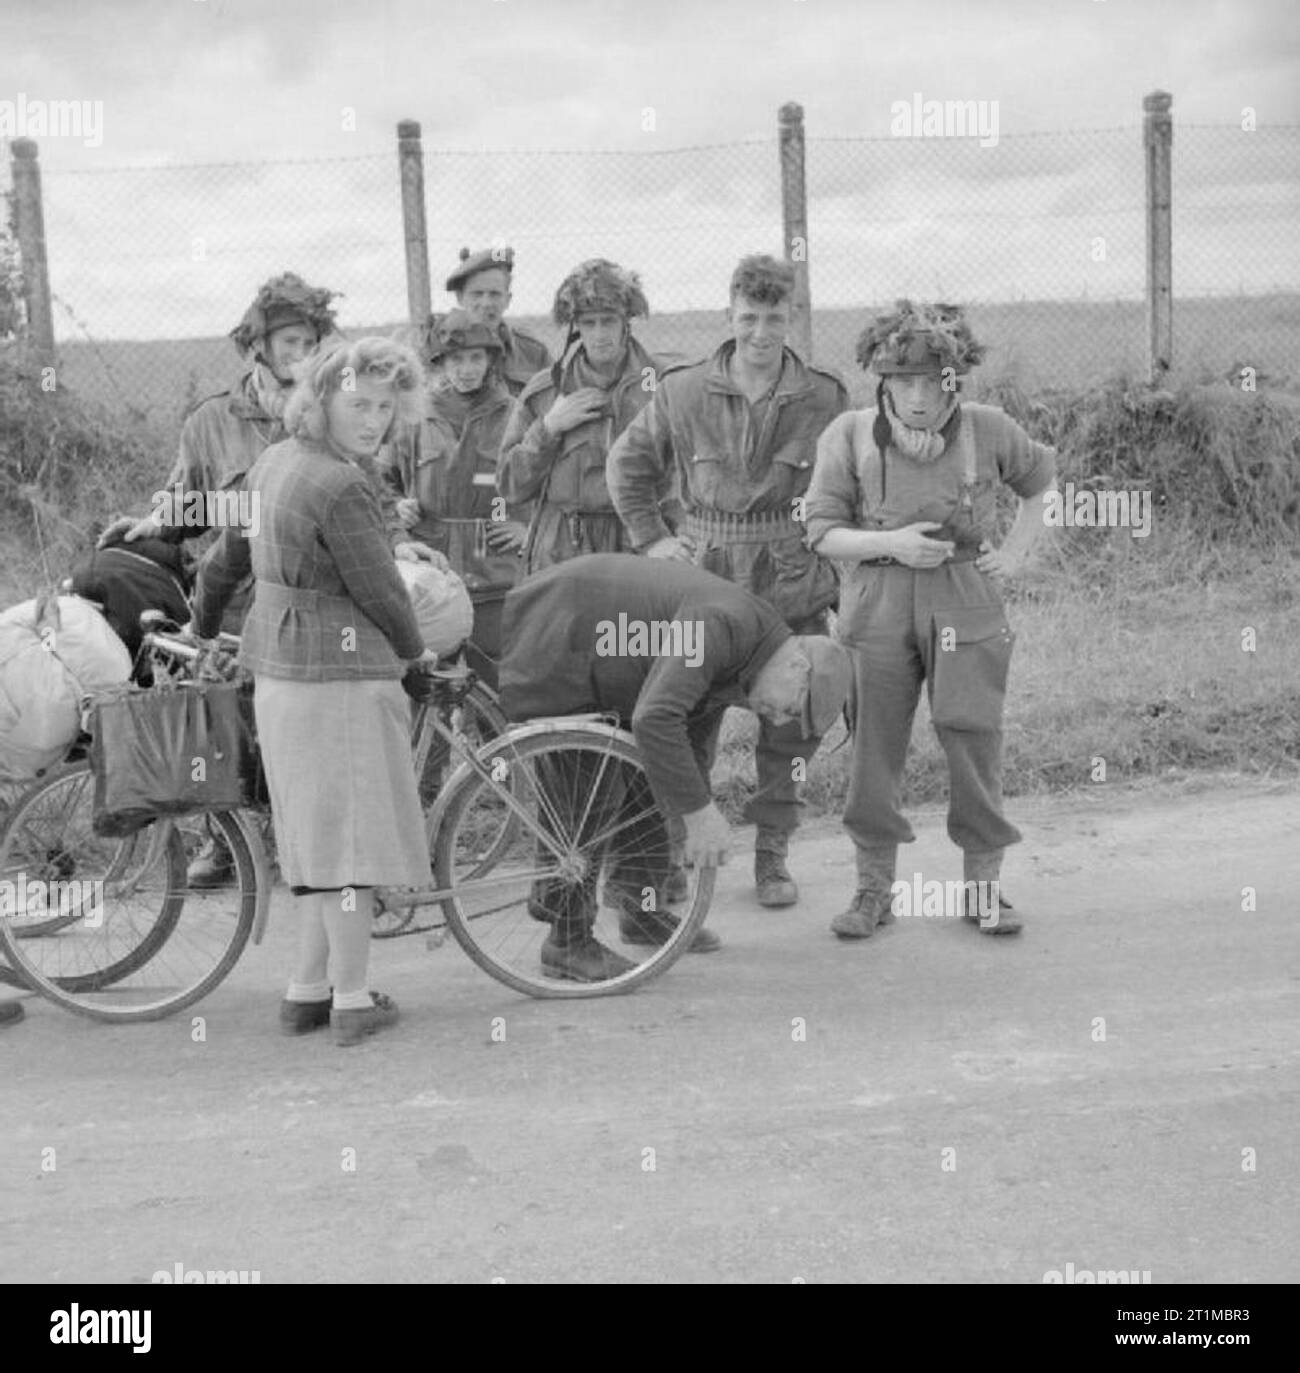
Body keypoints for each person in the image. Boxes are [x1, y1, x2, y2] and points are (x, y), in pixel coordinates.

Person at [101, 272, 439, 887]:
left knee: (295, 760)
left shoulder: (342, 409)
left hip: (307, 611)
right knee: (238, 736)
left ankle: (304, 866)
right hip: (256, 613)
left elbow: (370, 510)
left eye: (309, 337)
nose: (299, 349)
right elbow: (194, 505)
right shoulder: (215, 420)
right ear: (259, 344)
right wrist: (153, 526)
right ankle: (235, 846)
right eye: (287, 339)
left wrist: (396, 539)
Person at [191, 338, 438, 1045]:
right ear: (322, 399)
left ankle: (305, 991)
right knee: (350, 843)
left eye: (387, 408)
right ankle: (354, 999)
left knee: (311, 835)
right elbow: (382, 590)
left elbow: (223, 561)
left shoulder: (274, 462)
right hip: (342, 680)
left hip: (278, 676)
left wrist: (204, 625)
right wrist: (417, 655)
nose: (374, 421)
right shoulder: (343, 484)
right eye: (359, 404)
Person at [802, 300, 1057, 940]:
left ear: (955, 380)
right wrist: (889, 545)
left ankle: (984, 890)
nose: (917, 396)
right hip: (877, 600)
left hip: (964, 594)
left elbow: (1041, 484)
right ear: (882, 381)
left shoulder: (988, 428)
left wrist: (1019, 553)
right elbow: (822, 532)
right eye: (901, 381)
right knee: (874, 748)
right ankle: (871, 891)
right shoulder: (850, 433)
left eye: (931, 380)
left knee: (972, 735)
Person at [607, 254, 848, 910]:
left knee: (790, 729)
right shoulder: (682, 391)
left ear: (792, 317)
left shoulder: (825, 396)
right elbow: (626, 463)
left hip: (792, 583)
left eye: (775, 318)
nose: (762, 332)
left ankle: (773, 855)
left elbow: (849, 481)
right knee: (686, 722)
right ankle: (680, 852)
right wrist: (654, 538)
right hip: (706, 582)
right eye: (749, 317)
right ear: (728, 315)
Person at [497, 553, 853, 982]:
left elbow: (679, 751)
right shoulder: (723, 626)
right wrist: (700, 815)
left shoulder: (754, 653)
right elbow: (656, 717)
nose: (778, 719)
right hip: (568, 633)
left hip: (624, 662)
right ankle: (565, 939)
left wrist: (689, 802)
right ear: (798, 665)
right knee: (587, 790)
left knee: (654, 780)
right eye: (792, 706)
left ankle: (640, 906)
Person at [378, 309, 526, 685]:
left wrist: (526, 526)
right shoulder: (416, 416)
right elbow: (382, 481)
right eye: (456, 359)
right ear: (440, 363)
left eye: (476, 358)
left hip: (494, 575)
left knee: (497, 680)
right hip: (433, 578)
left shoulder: (514, 415)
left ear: (491, 360)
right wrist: (397, 508)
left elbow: (538, 481)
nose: (466, 369)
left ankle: (499, 745)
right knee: (432, 683)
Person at [497, 258, 670, 573]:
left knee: (632, 625)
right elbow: (510, 485)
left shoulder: (660, 386)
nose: (600, 334)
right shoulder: (545, 390)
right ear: (575, 325)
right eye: (589, 323)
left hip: (639, 544)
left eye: (608, 321)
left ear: (626, 322)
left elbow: (684, 480)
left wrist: (667, 539)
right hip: (562, 549)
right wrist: (548, 428)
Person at [441, 246, 551, 397]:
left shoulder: (533, 353)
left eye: (495, 294)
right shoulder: (440, 350)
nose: (486, 304)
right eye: (477, 294)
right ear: (460, 298)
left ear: (508, 300)